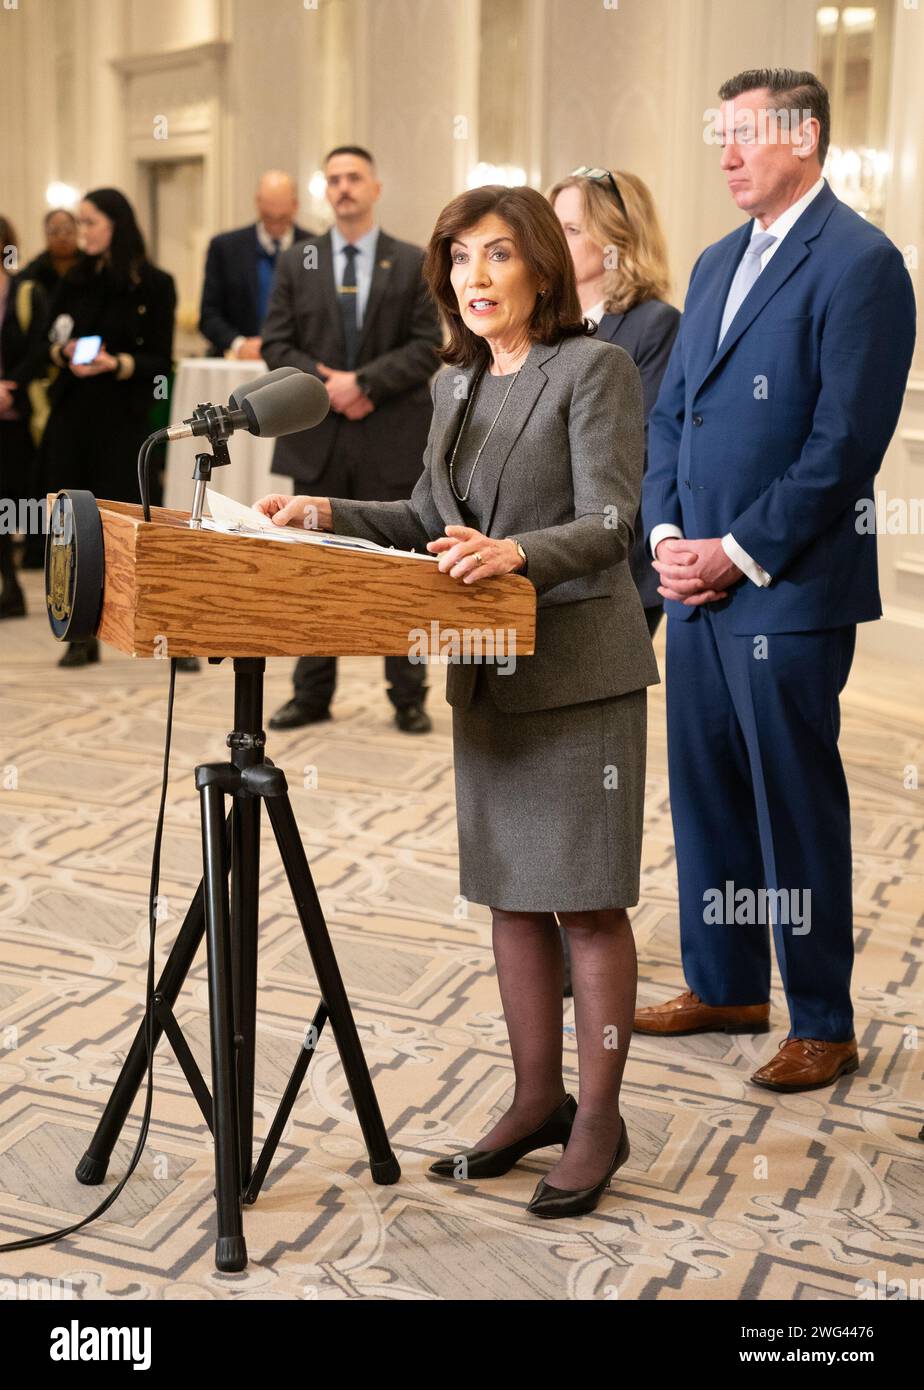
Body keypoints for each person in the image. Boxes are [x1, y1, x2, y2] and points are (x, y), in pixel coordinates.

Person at [254, 184, 660, 1219]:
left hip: (576, 670)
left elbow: (613, 522)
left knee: (585, 899)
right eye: (459, 258)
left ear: (541, 270)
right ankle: (535, 1099)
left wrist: (515, 551)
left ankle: (600, 1123)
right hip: (484, 666)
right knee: (512, 896)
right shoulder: (453, 383)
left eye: (498, 256)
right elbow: (427, 517)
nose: (475, 278)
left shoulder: (594, 367)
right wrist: (324, 509)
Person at [638, 69, 916, 1091]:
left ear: (806, 138)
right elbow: (672, 416)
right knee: (707, 790)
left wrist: (737, 552)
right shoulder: (714, 264)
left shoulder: (863, 263)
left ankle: (824, 1018)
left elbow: (844, 444)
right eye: (721, 136)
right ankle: (725, 983)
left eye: (745, 135)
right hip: (693, 582)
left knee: (791, 802)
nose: (725, 154)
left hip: (787, 588)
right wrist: (670, 533)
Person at [261, 146, 443, 734]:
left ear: (376, 186)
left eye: (354, 178)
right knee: (312, 569)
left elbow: (427, 345)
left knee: (401, 567)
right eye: (333, 179)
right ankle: (311, 694)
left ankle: (408, 696)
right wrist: (328, 386)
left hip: (390, 435)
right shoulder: (298, 261)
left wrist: (364, 383)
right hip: (316, 437)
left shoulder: (412, 260)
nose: (343, 188)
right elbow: (276, 345)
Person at [43, 187, 177, 666]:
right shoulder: (73, 279)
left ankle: (162, 626)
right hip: (73, 412)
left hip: (123, 418)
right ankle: (80, 629)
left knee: (132, 521)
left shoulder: (154, 283)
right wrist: (66, 355)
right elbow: (52, 340)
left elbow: (160, 361)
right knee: (71, 521)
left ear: (116, 224)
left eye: (90, 223)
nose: (82, 233)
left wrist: (115, 363)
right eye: (78, 223)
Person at [549, 168, 680, 638]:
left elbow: (639, 449)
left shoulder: (654, 324)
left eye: (572, 229)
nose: (553, 240)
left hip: (615, 561)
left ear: (617, 240)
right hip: (538, 552)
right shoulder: (540, 324)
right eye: (551, 225)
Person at [198, 171, 312, 359]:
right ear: (257, 203)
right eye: (268, 216)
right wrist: (239, 344)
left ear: (295, 206)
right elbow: (209, 315)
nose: (275, 224)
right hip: (237, 362)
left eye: (282, 218)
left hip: (296, 362)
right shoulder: (225, 248)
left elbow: (320, 315)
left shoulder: (312, 249)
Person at [0, 215, 50, 618]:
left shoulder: (26, 292)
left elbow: (38, 350)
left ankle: (15, 583)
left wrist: (7, 387)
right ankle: (10, 585)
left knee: (14, 500)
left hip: (16, 417)